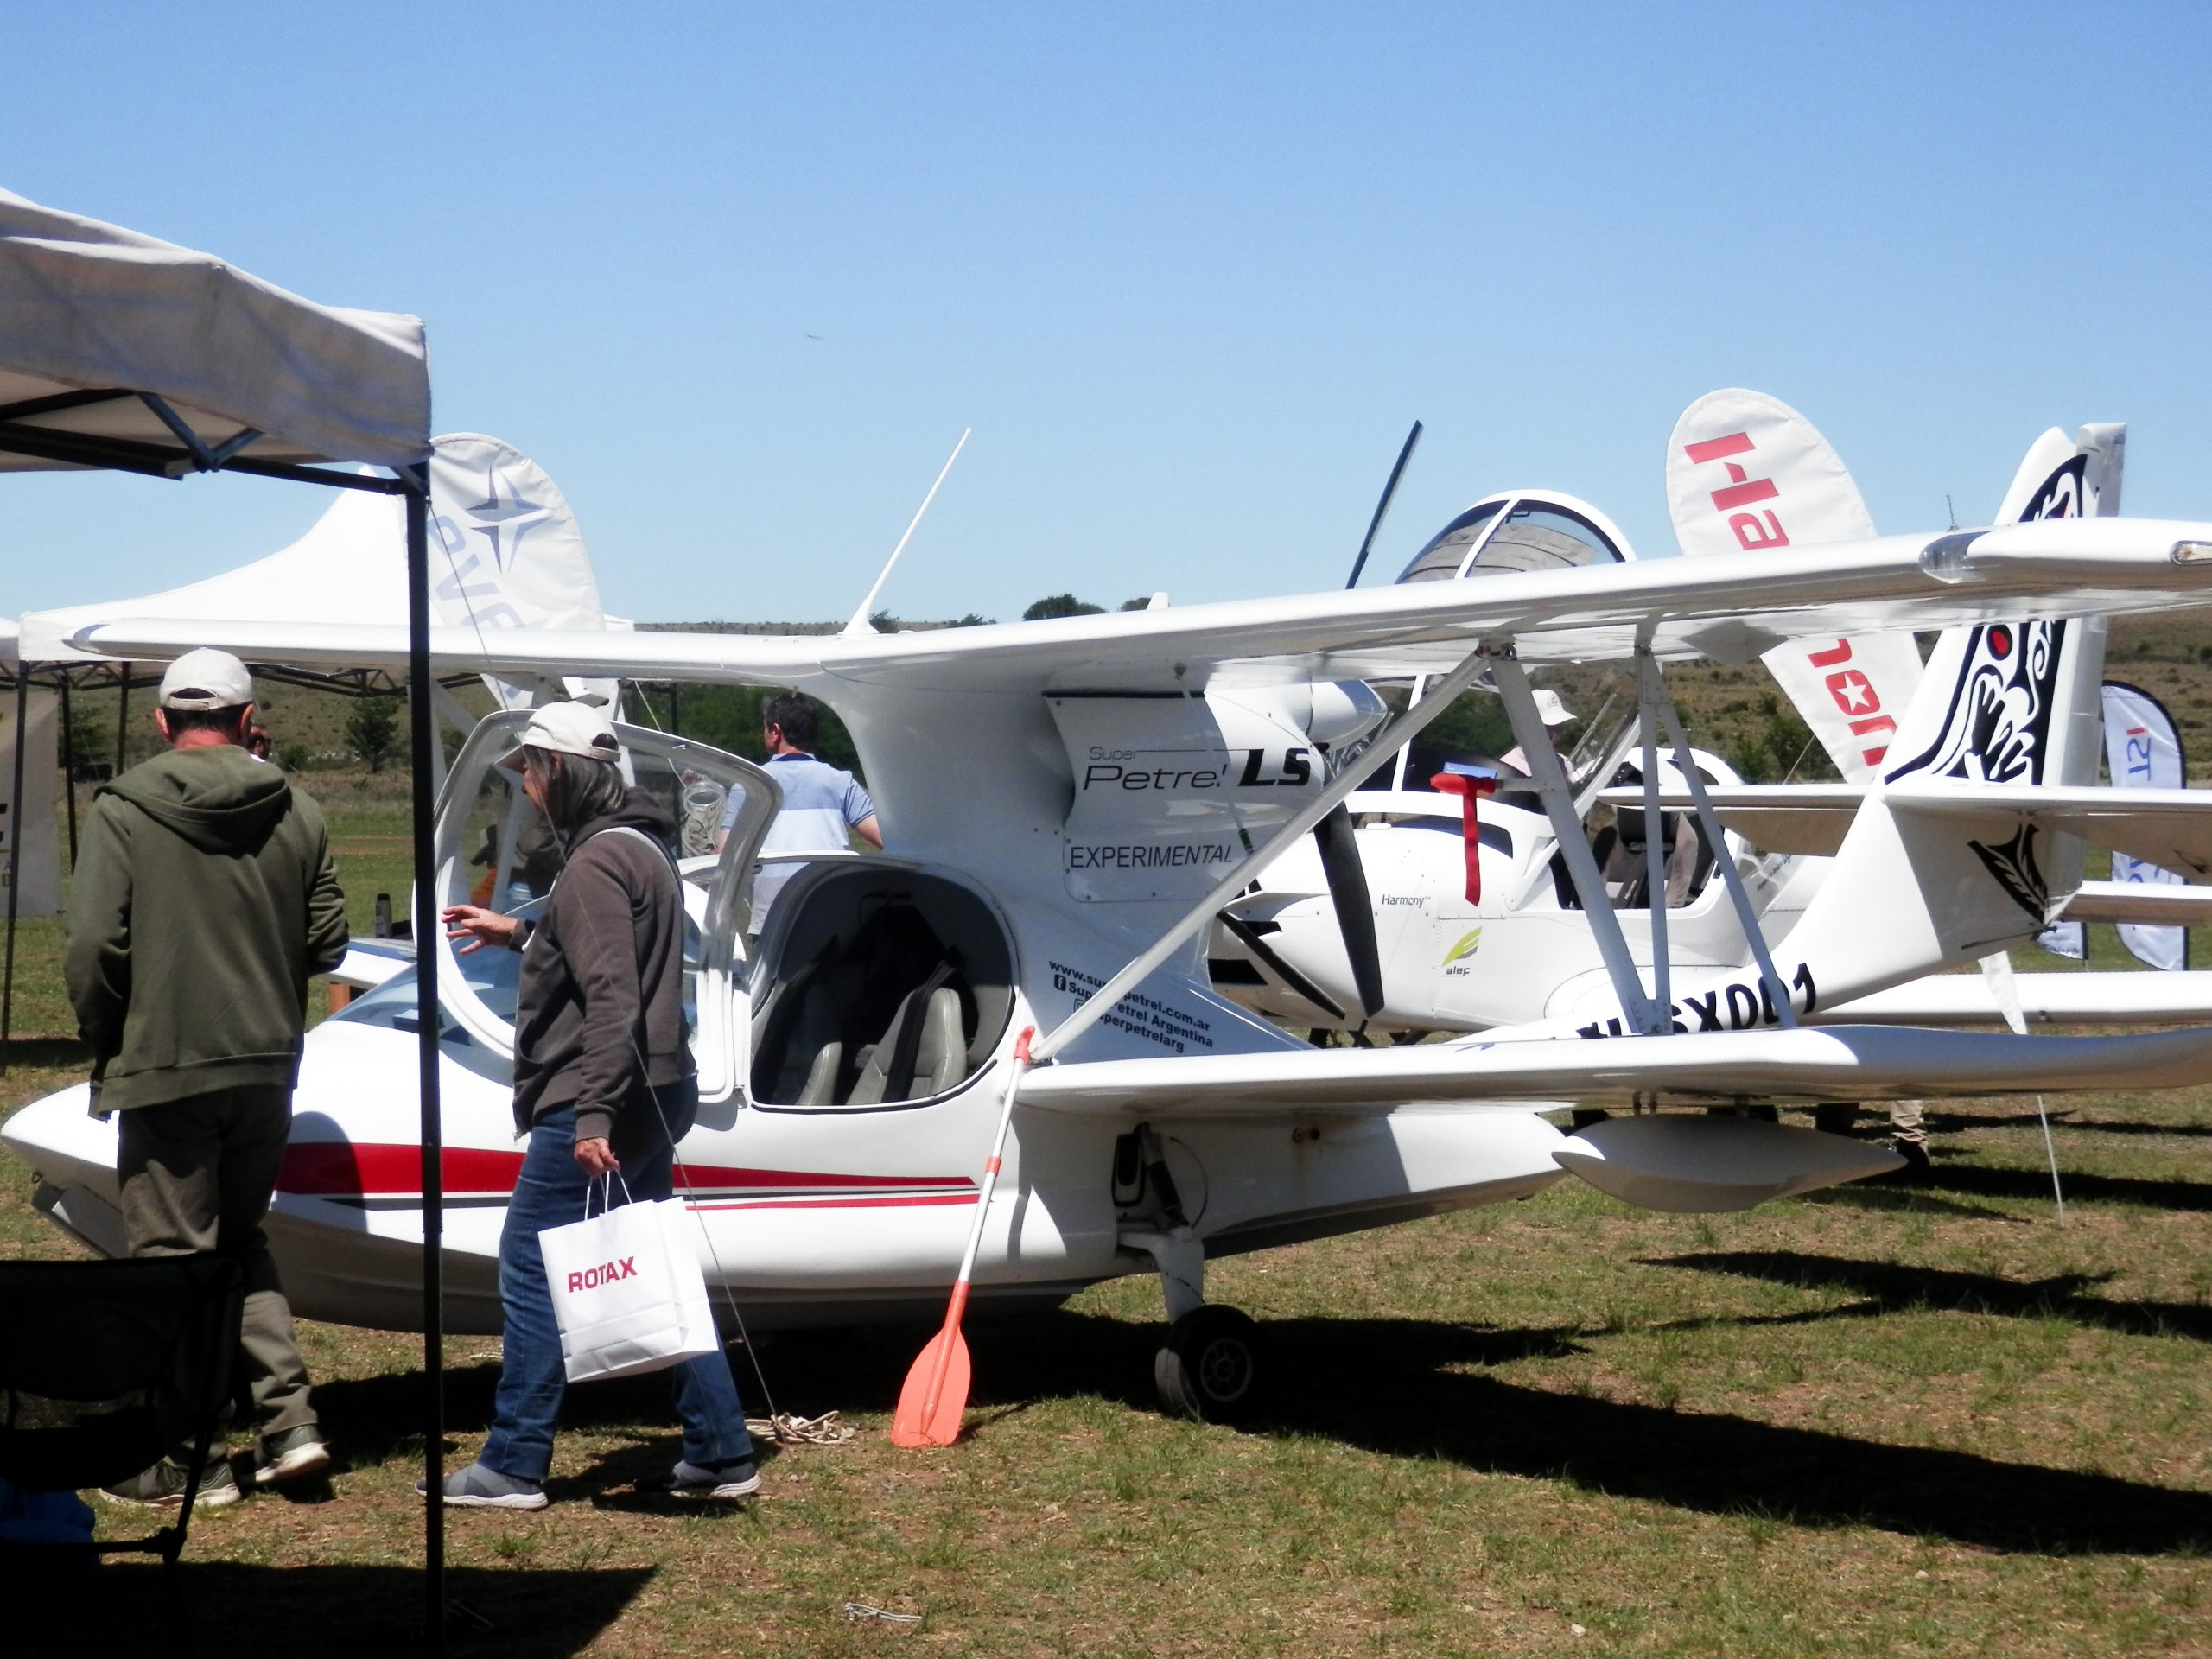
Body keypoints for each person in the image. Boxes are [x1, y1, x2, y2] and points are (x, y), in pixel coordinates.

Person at [432, 702, 758, 1510]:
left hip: (601, 1094)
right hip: (659, 1086)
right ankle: (721, 1451)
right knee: (656, 1267)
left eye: (532, 774)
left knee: (532, 1266)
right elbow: (623, 957)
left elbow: (611, 993)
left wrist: (590, 1120)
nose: (528, 791)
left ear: (561, 773)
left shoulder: (588, 868)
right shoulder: (642, 846)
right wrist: (519, 934)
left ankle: (512, 1462)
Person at [66, 648, 348, 1509]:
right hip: (265, 1063)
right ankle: (290, 1427)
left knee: (169, 1264)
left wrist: (107, 1033)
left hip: (165, 1063)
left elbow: (90, 948)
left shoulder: (123, 807)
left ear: (161, 720)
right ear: (246, 717)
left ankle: (177, 1459)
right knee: (239, 1244)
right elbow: (330, 940)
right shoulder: (297, 805)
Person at [716, 692, 880, 927]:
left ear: (775, 731)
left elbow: (726, 852)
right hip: (832, 906)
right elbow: (882, 837)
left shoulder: (749, 785)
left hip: (772, 914)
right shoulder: (840, 781)